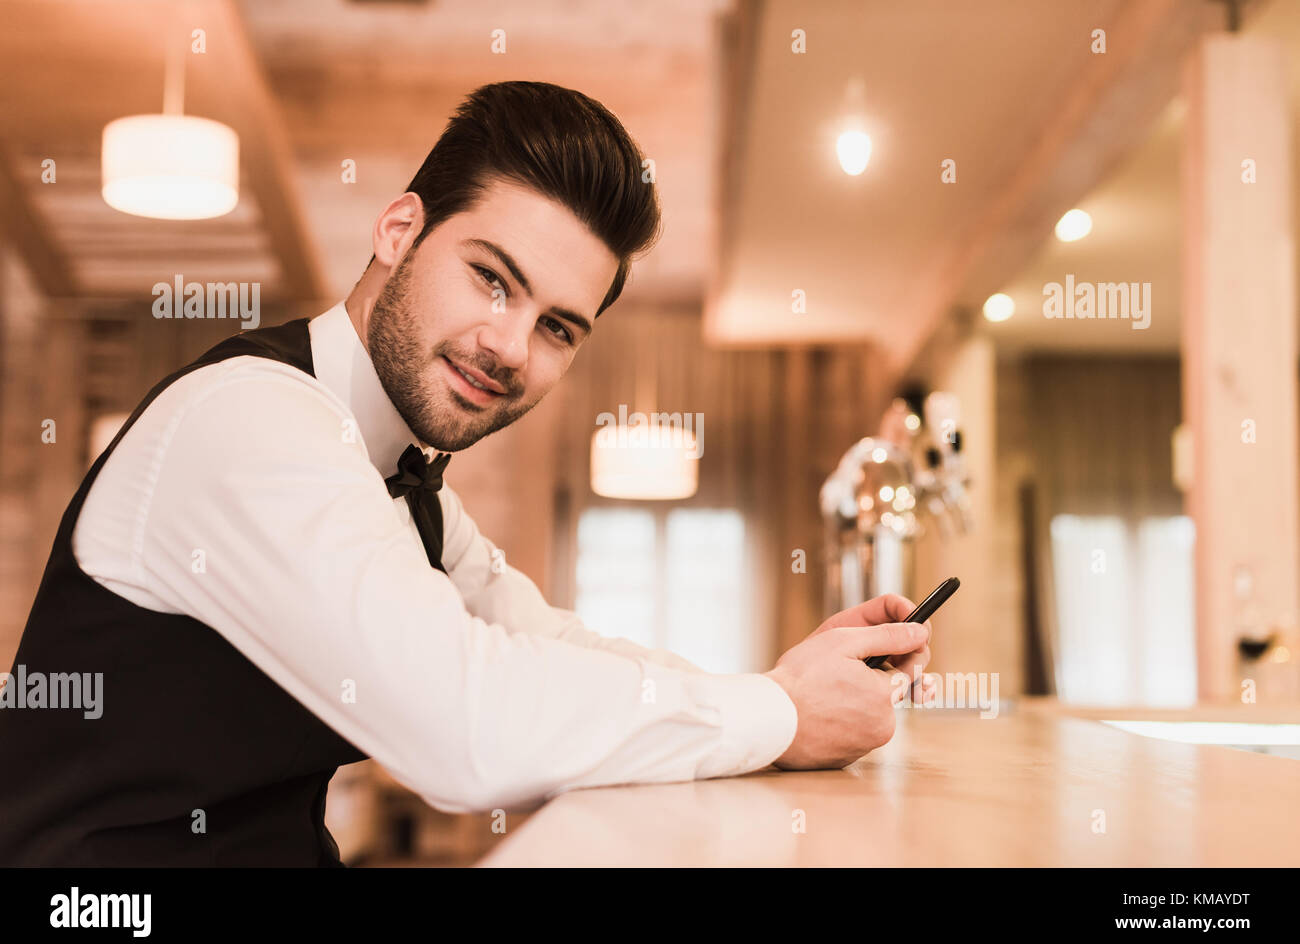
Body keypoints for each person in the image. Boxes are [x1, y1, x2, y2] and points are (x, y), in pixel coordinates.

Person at [0, 80, 934, 866]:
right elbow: (466, 728)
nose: (510, 346)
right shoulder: (249, 416)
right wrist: (776, 712)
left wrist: (784, 682)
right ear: (399, 229)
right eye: (493, 277)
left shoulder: (403, 483)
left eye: (558, 326)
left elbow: (552, 647)